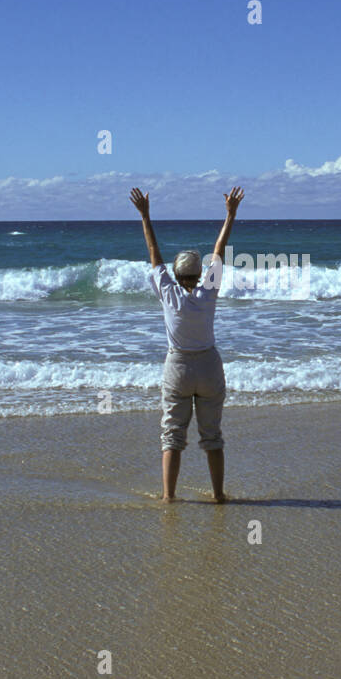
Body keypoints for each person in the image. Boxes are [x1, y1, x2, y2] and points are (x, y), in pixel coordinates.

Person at [129, 185, 243, 503]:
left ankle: (168, 496)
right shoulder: (208, 292)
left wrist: (145, 216)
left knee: (172, 435)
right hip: (208, 366)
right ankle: (218, 494)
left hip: (178, 366)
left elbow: (154, 254)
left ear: (177, 276)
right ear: (198, 274)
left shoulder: (169, 292)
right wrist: (230, 215)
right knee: (212, 436)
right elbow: (219, 251)